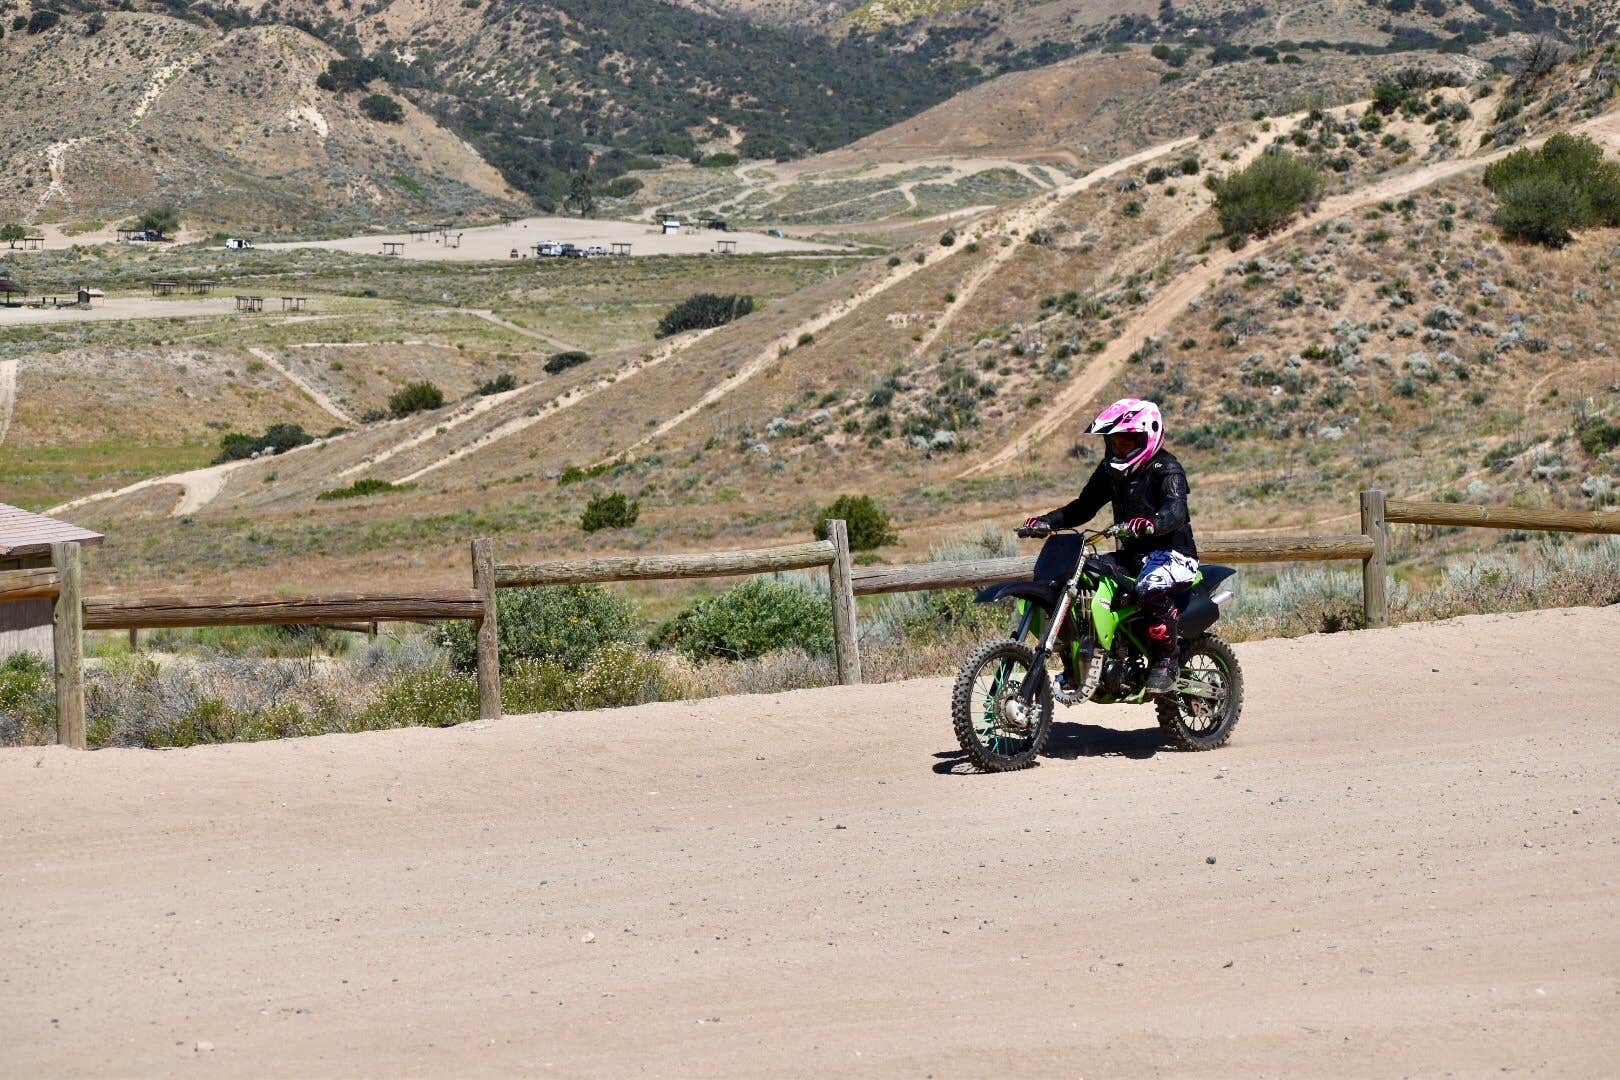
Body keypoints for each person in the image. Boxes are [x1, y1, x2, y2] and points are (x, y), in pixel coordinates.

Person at [1024, 397, 1197, 696]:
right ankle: (1082, 660)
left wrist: (1152, 523)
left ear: (1148, 435)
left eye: (1126, 442)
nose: (1119, 449)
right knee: (1085, 577)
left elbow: (1176, 510)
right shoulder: (1110, 472)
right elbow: (1083, 507)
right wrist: (1046, 522)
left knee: (1149, 588)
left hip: (1173, 555)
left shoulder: (1166, 468)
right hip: (1132, 555)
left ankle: (1165, 661)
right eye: (1114, 443)